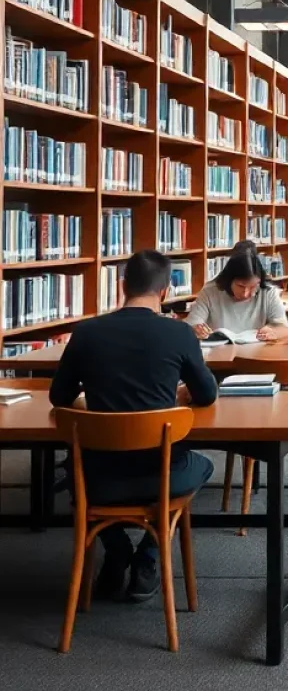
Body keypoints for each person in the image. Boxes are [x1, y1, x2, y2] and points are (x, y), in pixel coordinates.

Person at [49, 250, 218, 602]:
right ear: (165, 292)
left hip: (98, 479)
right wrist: (180, 394)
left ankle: (117, 549)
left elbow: (59, 397)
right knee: (203, 465)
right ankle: (149, 556)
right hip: (161, 476)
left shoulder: (86, 332)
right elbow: (207, 395)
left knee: (73, 473)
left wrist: (91, 401)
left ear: (122, 286)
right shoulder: (180, 334)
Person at [186, 244, 288, 341]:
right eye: (240, 286)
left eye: (253, 287)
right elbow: (191, 325)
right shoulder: (210, 291)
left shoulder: (268, 292)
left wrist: (273, 332)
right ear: (229, 280)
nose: (245, 293)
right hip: (220, 356)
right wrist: (197, 329)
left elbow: (284, 329)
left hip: (257, 355)